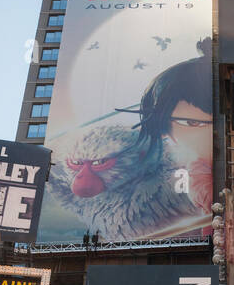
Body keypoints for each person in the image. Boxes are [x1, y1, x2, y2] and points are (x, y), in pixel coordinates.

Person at [47, 38, 213, 243]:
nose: (82, 179)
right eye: (190, 123)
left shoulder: (178, 177)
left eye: (100, 163)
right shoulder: (190, 172)